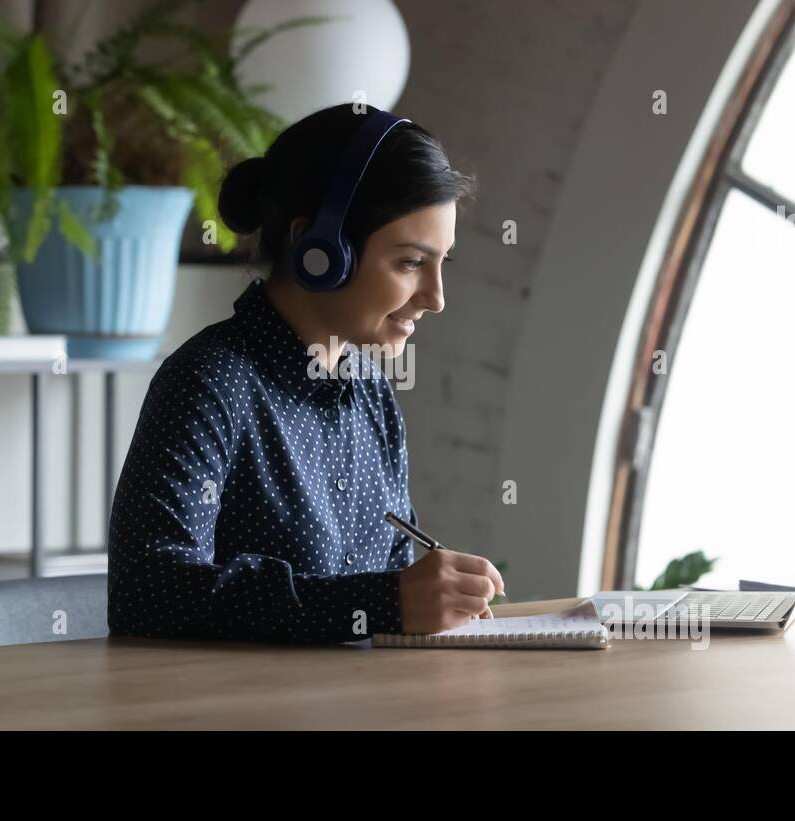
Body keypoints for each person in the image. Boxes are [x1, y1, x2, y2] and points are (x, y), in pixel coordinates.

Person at [107, 104, 503, 644]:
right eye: (411, 263)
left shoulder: (373, 396)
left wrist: (433, 604)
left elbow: (391, 596)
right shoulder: (208, 383)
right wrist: (384, 602)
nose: (436, 299)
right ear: (317, 250)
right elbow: (149, 595)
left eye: (442, 264)